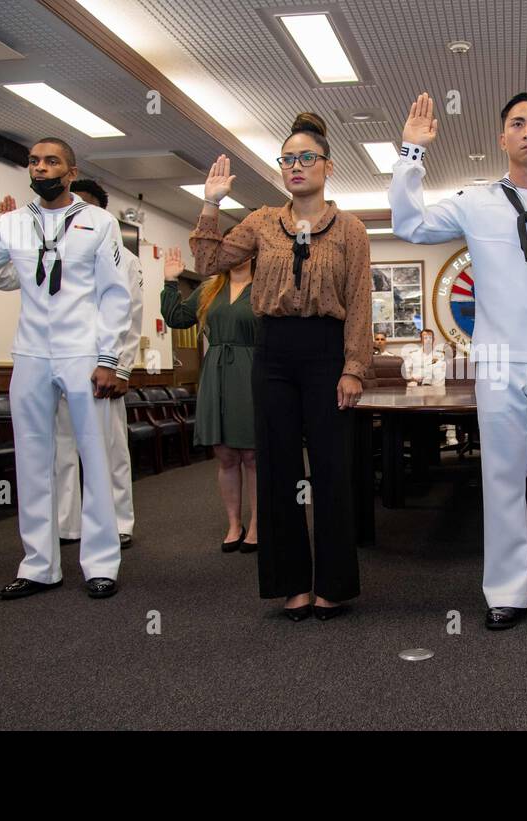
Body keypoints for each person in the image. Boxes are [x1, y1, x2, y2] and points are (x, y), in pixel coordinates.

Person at [390, 92, 527, 630]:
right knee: (504, 477)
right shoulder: (476, 200)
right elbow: (408, 225)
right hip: (496, 362)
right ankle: (508, 592)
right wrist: (411, 155)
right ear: (503, 138)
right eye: (518, 123)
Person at [190, 113, 370, 622]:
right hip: (273, 353)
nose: (295, 166)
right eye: (287, 159)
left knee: (332, 469)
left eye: (305, 158)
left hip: (326, 352)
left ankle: (332, 584)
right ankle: (292, 583)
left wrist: (353, 367)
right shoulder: (262, 222)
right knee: (277, 469)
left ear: (327, 166)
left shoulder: (351, 229)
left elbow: (359, 302)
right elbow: (207, 264)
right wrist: (210, 203)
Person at [0, 140, 131, 600]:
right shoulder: (12, 224)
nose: (40, 167)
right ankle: (39, 565)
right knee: (32, 459)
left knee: (93, 458)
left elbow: (116, 294)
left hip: (82, 351)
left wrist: (109, 358)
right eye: (34, 161)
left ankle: (100, 563)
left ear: (70, 171)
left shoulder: (100, 222)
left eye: (51, 161)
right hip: (31, 353)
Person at [0, 180, 142, 551]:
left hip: (98, 360)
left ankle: (119, 522)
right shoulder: (37, 239)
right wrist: (4, 239)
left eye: (79, 210)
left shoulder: (123, 253)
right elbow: (3, 279)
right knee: (61, 449)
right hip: (44, 357)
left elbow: (130, 311)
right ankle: (68, 524)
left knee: (108, 451)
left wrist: (121, 366)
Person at [161, 250, 259, 553]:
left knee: (253, 455)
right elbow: (176, 318)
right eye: (230, 248)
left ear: (255, 253)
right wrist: (170, 281)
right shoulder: (210, 288)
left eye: (243, 249)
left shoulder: (266, 285)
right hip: (215, 372)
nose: (235, 255)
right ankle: (233, 524)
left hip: (252, 371)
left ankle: (258, 523)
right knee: (226, 454)